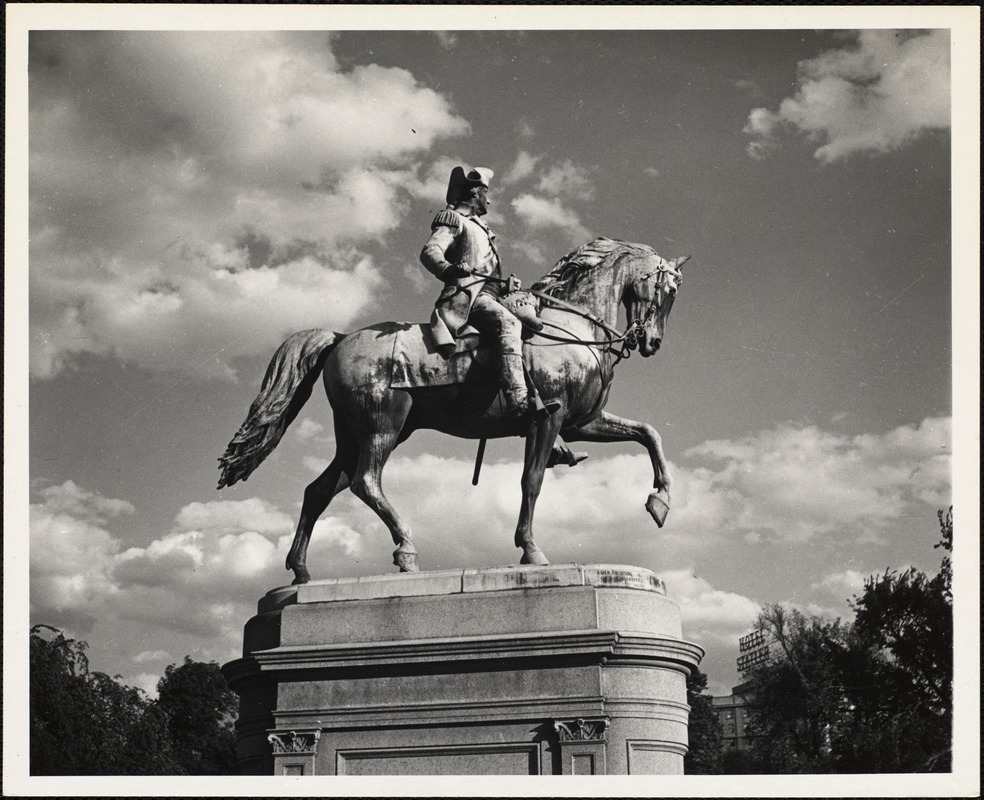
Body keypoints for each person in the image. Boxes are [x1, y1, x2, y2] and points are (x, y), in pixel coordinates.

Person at [420, 166, 554, 418]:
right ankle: (518, 400)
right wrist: (450, 269)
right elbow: (430, 252)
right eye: (486, 192)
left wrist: (504, 285)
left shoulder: (481, 228)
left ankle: (540, 410)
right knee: (508, 323)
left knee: (529, 332)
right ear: (474, 193)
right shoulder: (454, 219)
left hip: (489, 296)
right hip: (467, 299)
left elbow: (486, 273)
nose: (489, 199)